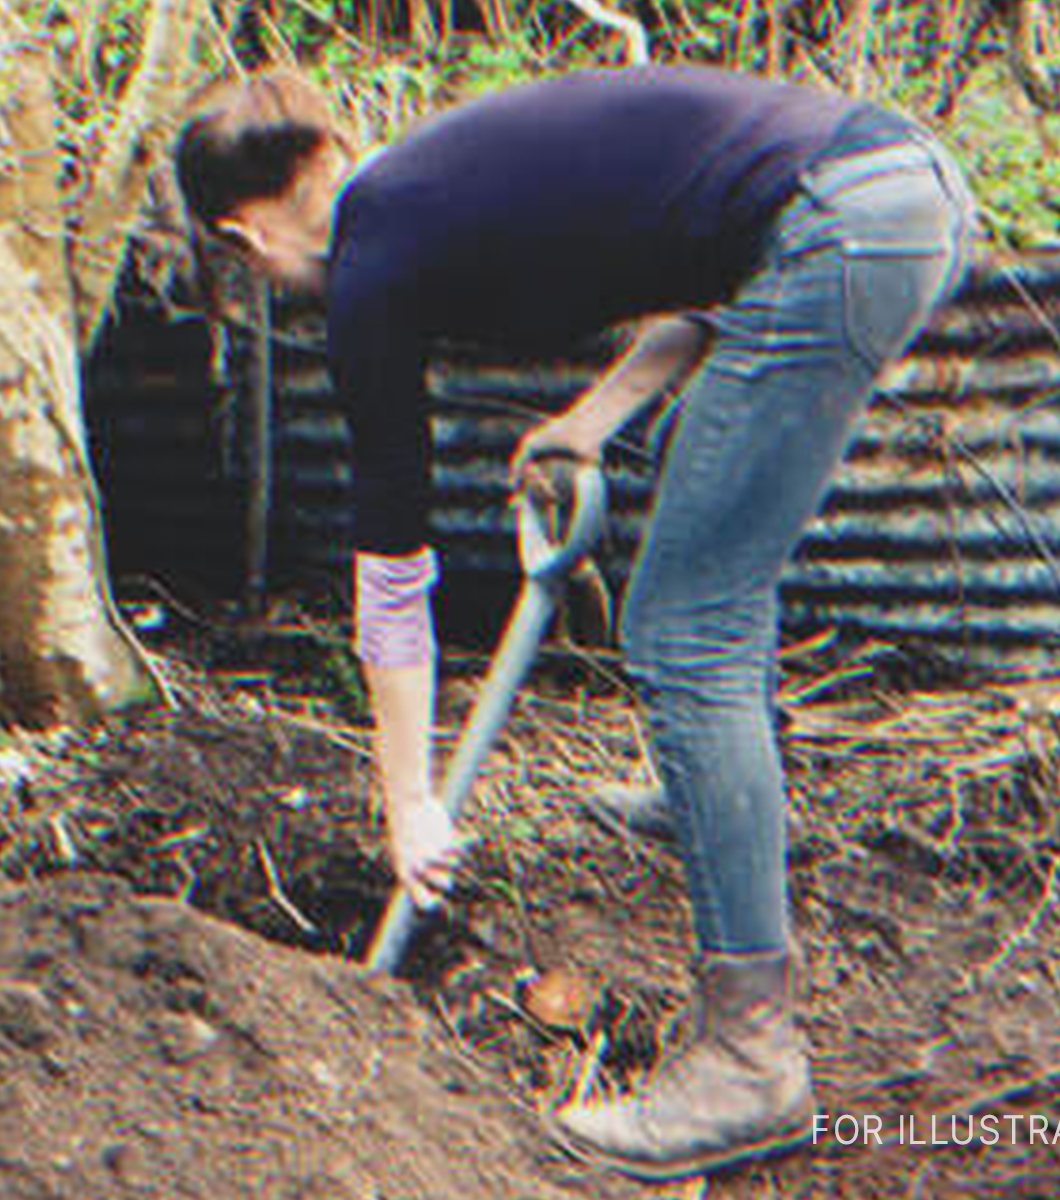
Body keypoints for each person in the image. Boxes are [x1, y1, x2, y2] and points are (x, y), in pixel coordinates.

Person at [174, 64, 975, 1180]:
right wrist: (592, 419)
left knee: (686, 624)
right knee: (720, 563)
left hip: (846, 224)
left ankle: (751, 1060)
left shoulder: (374, 265)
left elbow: (394, 559)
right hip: (898, 192)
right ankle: (713, 785)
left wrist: (408, 800)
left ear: (243, 238)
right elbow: (721, 264)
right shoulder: (431, 192)